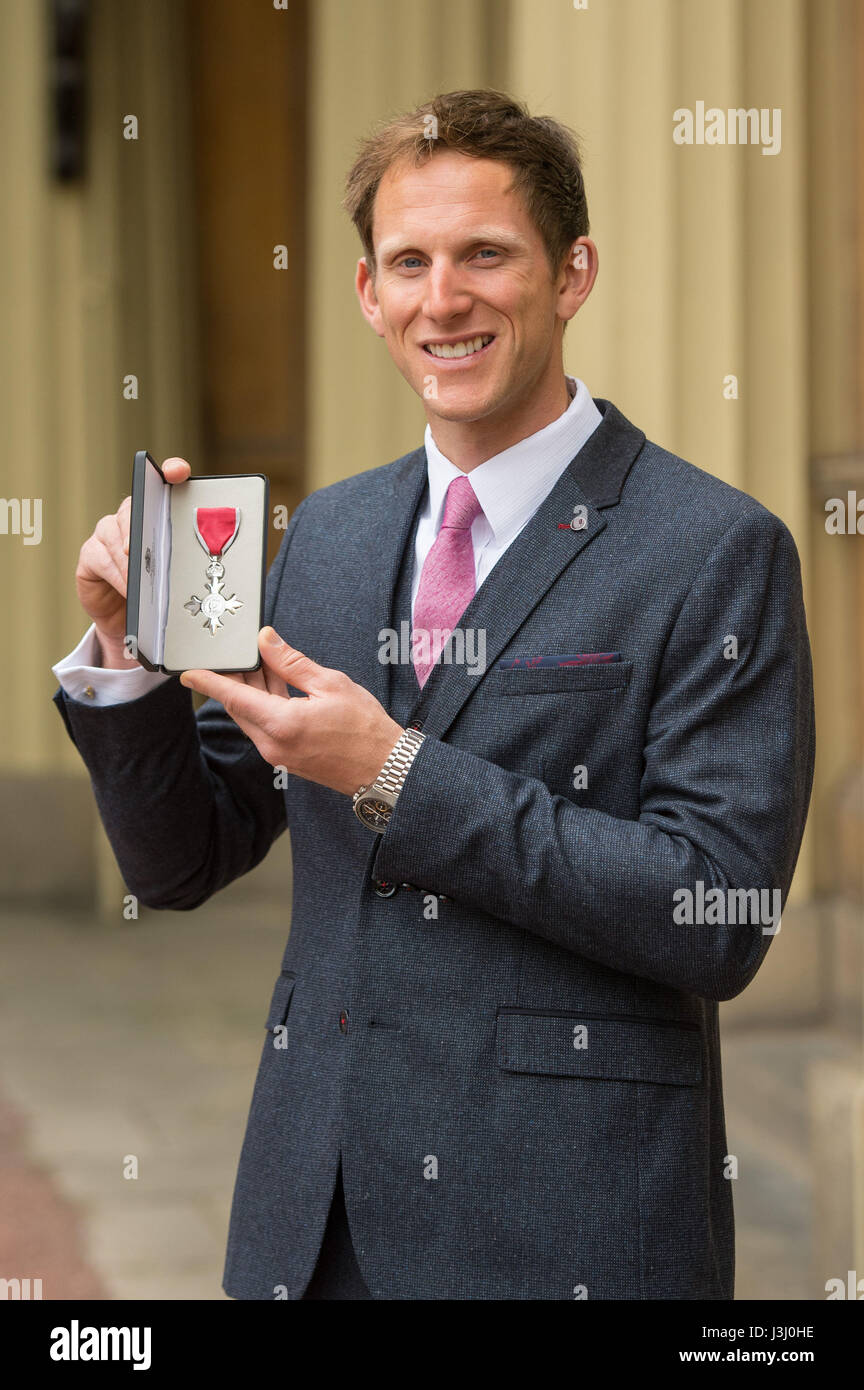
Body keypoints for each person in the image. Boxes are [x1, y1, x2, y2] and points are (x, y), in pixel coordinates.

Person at [53, 89, 815, 1300]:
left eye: (485, 256)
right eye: (408, 261)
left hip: (568, 1222)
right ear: (367, 294)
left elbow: (715, 916)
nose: (441, 299)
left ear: (573, 275)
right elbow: (180, 863)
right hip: (315, 1221)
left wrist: (395, 773)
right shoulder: (331, 538)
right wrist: (127, 664)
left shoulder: (715, 548)